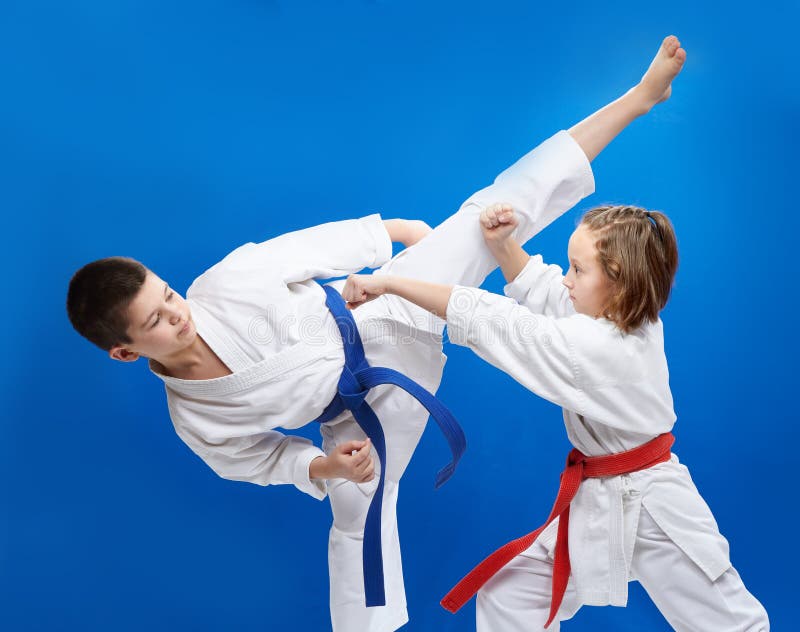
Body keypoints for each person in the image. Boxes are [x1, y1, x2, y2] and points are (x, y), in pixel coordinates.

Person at [66, 35, 686, 632]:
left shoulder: (223, 284)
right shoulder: (195, 418)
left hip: (380, 307)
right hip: (359, 416)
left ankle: (639, 97)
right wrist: (323, 466)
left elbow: (310, 246)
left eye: (168, 294)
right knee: (356, 519)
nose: (178, 314)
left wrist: (397, 232)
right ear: (125, 352)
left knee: (498, 206)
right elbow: (257, 460)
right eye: (155, 321)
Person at [340, 51, 770, 632]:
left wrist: (391, 282)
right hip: (600, 496)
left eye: (578, 268)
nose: (566, 277)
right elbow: (549, 296)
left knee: (731, 624)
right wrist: (505, 248)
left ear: (617, 284)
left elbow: (500, 323)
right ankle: (641, 99)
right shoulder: (625, 314)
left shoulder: (603, 349)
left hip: (655, 507)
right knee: (510, 599)